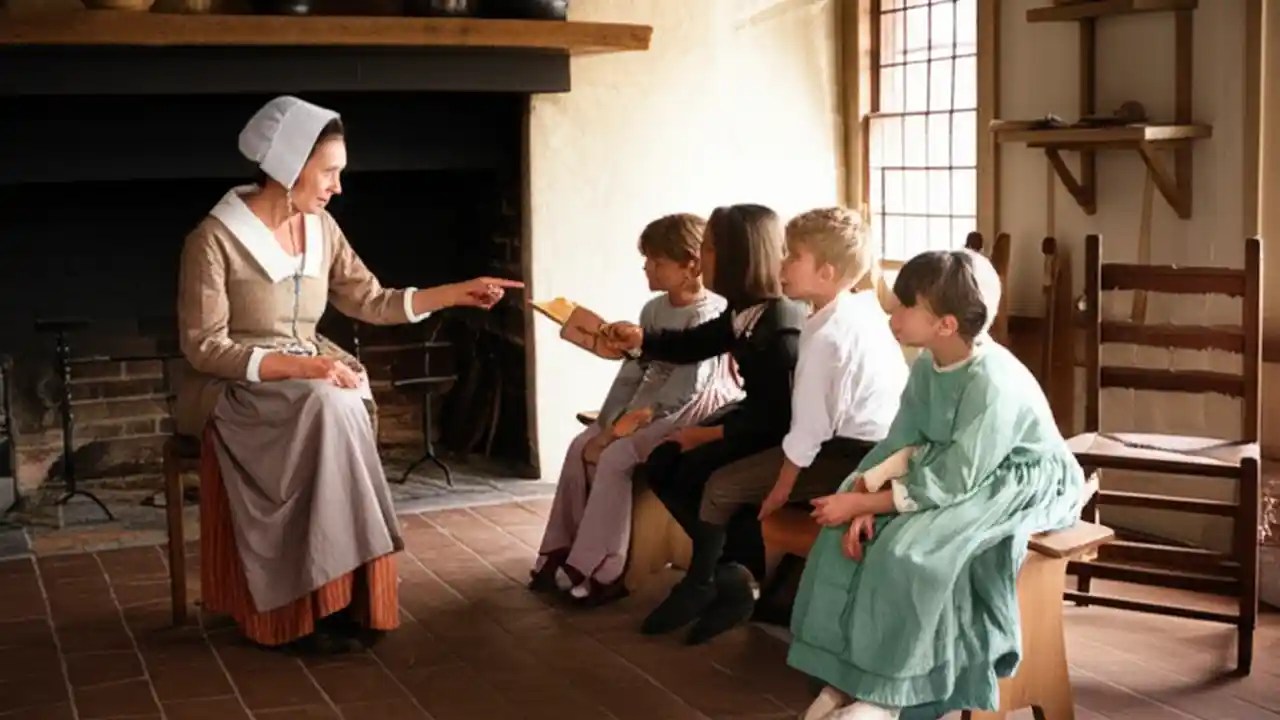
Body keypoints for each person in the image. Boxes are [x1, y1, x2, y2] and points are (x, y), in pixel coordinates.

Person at [175, 95, 521, 653]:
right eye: (329, 172)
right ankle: (296, 611)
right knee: (325, 400)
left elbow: (372, 299)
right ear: (288, 164)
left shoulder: (322, 228)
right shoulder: (212, 241)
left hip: (307, 381)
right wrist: (305, 366)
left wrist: (458, 292)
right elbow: (203, 347)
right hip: (235, 385)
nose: (338, 186)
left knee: (336, 396)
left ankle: (341, 597)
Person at [787, 249, 1086, 720]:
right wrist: (861, 496)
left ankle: (895, 694)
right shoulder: (928, 364)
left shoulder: (994, 383)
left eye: (907, 304)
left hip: (1014, 477)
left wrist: (876, 504)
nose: (893, 310)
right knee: (841, 536)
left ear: (945, 324)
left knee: (914, 555)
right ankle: (848, 677)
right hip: (947, 468)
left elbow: (960, 477)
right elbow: (902, 437)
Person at [682, 207, 909, 642]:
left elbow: (808, 433)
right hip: (878, 452)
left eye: (793, 257)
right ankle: (751, 586)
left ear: (826, 272)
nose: (781, 265)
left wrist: (782, 488)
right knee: (741, 479)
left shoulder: (826, 335)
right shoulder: (858, 310)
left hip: (858, 457)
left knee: (721, 487)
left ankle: (709, 587)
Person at [600, 203, 807, 643]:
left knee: (696, 468)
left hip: (781, 432)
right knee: (663, 461)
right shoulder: (744, 310)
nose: (702, 257)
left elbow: (779, 416)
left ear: (739, 254)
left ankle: (707, 580)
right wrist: (640, 342)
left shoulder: (781, 324)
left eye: (710, 248)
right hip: (755, 417)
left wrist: (708, 433)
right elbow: (695, 344)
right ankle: (726, 575)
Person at [530, 213, 742, 606]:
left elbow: (685, 391)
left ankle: (602, 566)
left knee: (616, 457)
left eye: (657, 261)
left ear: (690, 265)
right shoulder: (653, 310)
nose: (647, 267)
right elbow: (634, 372)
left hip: (692, 410)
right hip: (647, 407)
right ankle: (561, 547)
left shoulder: (710, 313)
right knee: (581, 444)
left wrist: (621, 433)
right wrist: (610, 421)